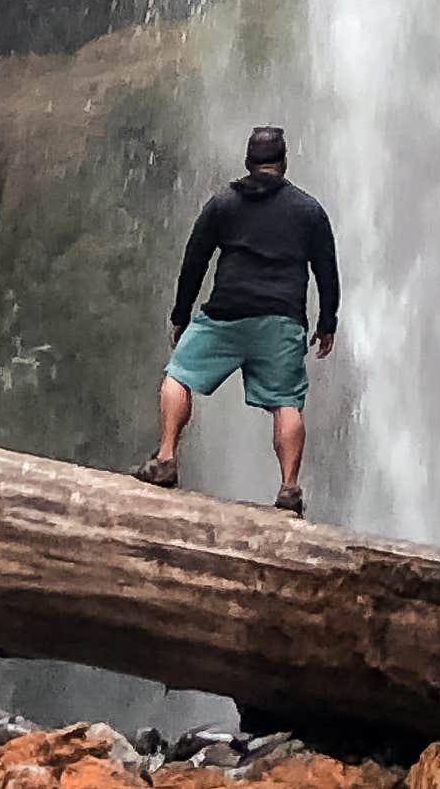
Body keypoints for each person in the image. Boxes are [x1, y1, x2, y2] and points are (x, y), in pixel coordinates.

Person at [133, 125, 339, 516]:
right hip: (281, 321)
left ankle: (165, 458)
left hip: (226, 314)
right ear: (283, 163)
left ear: (248, 162)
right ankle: (289, 489)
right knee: (286, 402)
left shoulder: (223, 203)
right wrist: (327, 323)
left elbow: (195, 260)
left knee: (178, 375)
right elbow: (326, 271)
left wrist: (182, 314)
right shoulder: (308, 210)